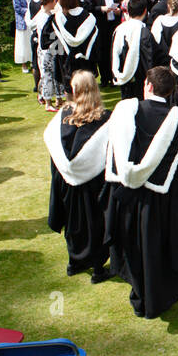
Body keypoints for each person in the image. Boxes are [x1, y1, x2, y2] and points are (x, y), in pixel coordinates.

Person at [103, 67, 178, 318]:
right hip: (160, 200)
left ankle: (139, 296)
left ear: (148, 86)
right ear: (169, 91)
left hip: (127, 197)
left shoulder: (126, 113)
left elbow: (112, 154)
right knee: (158, 249)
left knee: (133, 247)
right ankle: (161, 299)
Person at [46, 71, 112, 283]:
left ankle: (74, 263)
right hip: (96, 183)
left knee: (73, 223)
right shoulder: (106, 118)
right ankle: (97, 269)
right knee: (96, 224)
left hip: (68, 183)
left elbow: (54, 153)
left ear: (73, 90)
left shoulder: (62, 116)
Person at [111, 0, 155, 100]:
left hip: (124, 79)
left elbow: (114, 54)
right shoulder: (144, 32)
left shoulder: (118, 30)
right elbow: (149, 60)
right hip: (141, 79)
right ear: (145, 11)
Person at [13, 0, 34, 73]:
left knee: (32, 40)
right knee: (23, 42)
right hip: (22, 20)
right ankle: (24, 64)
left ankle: (32, 62)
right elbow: (17, 8)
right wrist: (29, 11)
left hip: (33, 19)